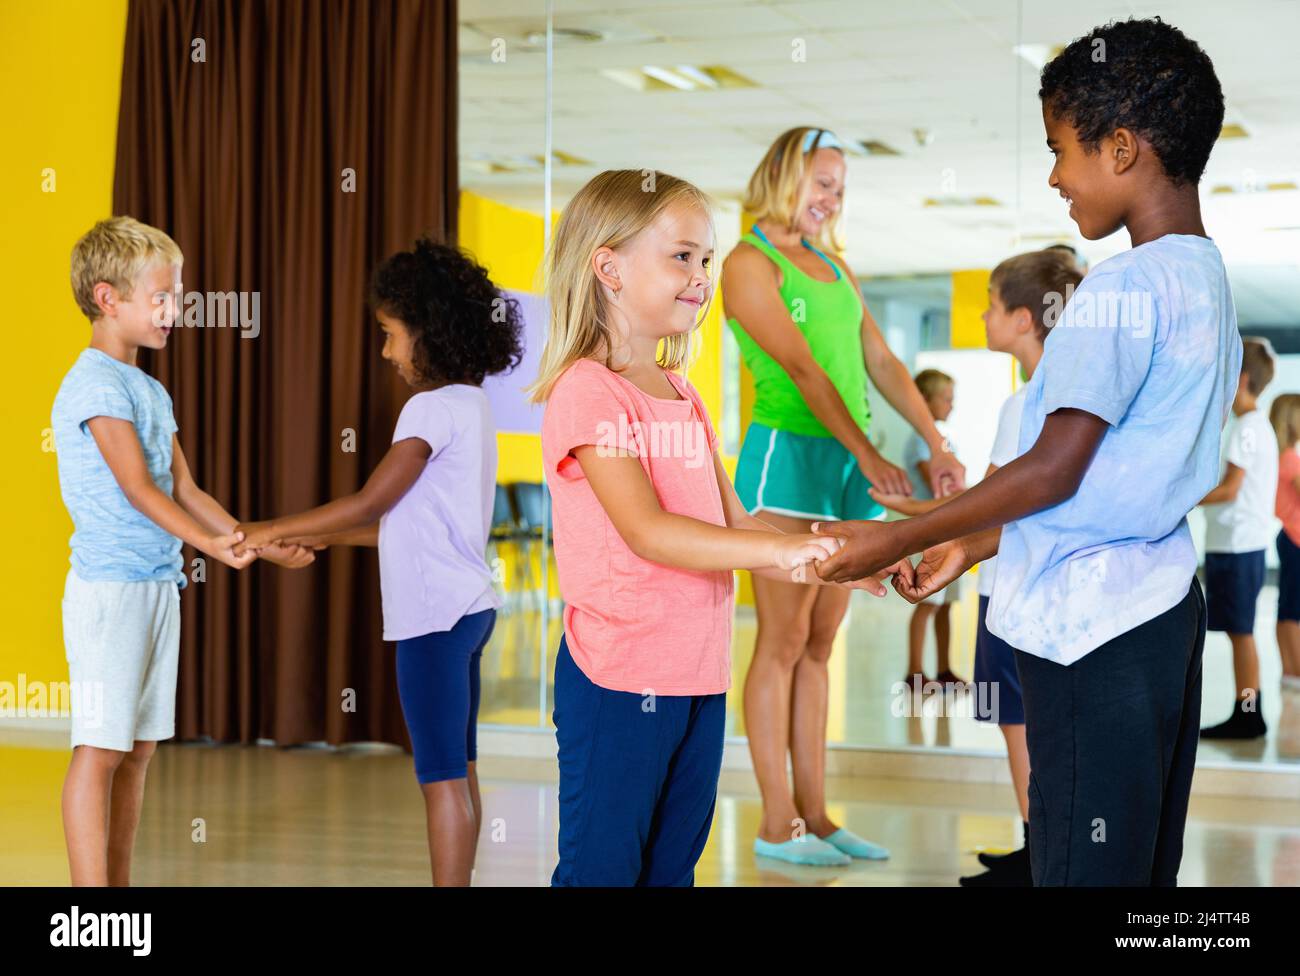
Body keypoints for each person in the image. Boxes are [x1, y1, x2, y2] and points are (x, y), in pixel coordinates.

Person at [814, 18, 1239, 886]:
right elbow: (1121, 482)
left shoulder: (1123, 283)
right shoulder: (1205, 276)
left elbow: (1056, 468)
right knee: (1137, 873)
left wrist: (897, 535)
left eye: (1061, 151)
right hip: (1161, 615)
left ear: (1121, 148)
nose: (1054, 177)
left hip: (1093, 634)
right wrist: (967, 542)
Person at [527, 169, 887, 886]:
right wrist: (784, 550)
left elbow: (737, 522)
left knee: (672, 872)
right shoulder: (587, 391)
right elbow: (650, 532)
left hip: (698, 677)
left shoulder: (683, 391)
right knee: (602, 871)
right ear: (609, 268)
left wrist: (835, 556)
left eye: (706, 259)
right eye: (682, 256)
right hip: (619, 682)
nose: (701, 276)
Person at [235, 238, 524, 885]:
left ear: (427, 331)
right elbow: (406, 527)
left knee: (440, 781)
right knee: (462, 770)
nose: (388, 352)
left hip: (433, 622)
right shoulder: (472, 405)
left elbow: (372, 499)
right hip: (470, 612)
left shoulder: (426, 409)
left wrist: (263, 530)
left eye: (391, 335)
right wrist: (321, 541)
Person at [722, 126, 966, 867]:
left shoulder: (835, 266)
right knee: (784, 640)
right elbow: (801, 370)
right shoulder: (745, 263)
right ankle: (775, 825)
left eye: (839, 187)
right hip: (787, 464)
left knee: (823, 645)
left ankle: (819, 816)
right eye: (821, 182)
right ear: (783, 176)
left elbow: (881, 362)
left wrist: (934, 442)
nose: (832, 198)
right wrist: (868, 454)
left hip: (847, 464)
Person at [53, 216, 314, 886]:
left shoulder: (149, 389)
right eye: (161, 296)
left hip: (156, 585)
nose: (175, 309)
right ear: (109, 299)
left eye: (178, 295)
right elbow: (138, 488)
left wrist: (253, 541)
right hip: (110, 592)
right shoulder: (94, 384)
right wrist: (212, 549)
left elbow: (185, 487)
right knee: (100, 750)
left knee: (137, 751)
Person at [872, 249, 1083, 886]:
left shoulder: (1024, 406)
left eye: (991, 305)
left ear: (1024, 319)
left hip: (1010, 589)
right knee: (1032, 725)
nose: (984, 315)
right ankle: (1036, 847)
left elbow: (979, 506)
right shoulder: (1064, 398)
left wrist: (902, 516)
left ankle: (1038, 851)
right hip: (1039, 589)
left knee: (1019, 726)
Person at [1198, 338, 1278, 739]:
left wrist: (1184, 499)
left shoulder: (1247, 429)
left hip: (1238, 545)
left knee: (1241, 632)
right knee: (1238, 632)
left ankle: (1248, 713)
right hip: (1236, 544)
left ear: (1241, 378)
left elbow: (1230, 488)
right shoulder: (1250, 427)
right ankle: (1245, 710)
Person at [1270, 394, 1300, 693]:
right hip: (1296, 539)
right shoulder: (1290, 460)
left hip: (1289, 538)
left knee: (1288, 608)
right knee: (1294, 610)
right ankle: (1295, 672)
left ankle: (1290, 671)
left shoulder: (1281, 458)